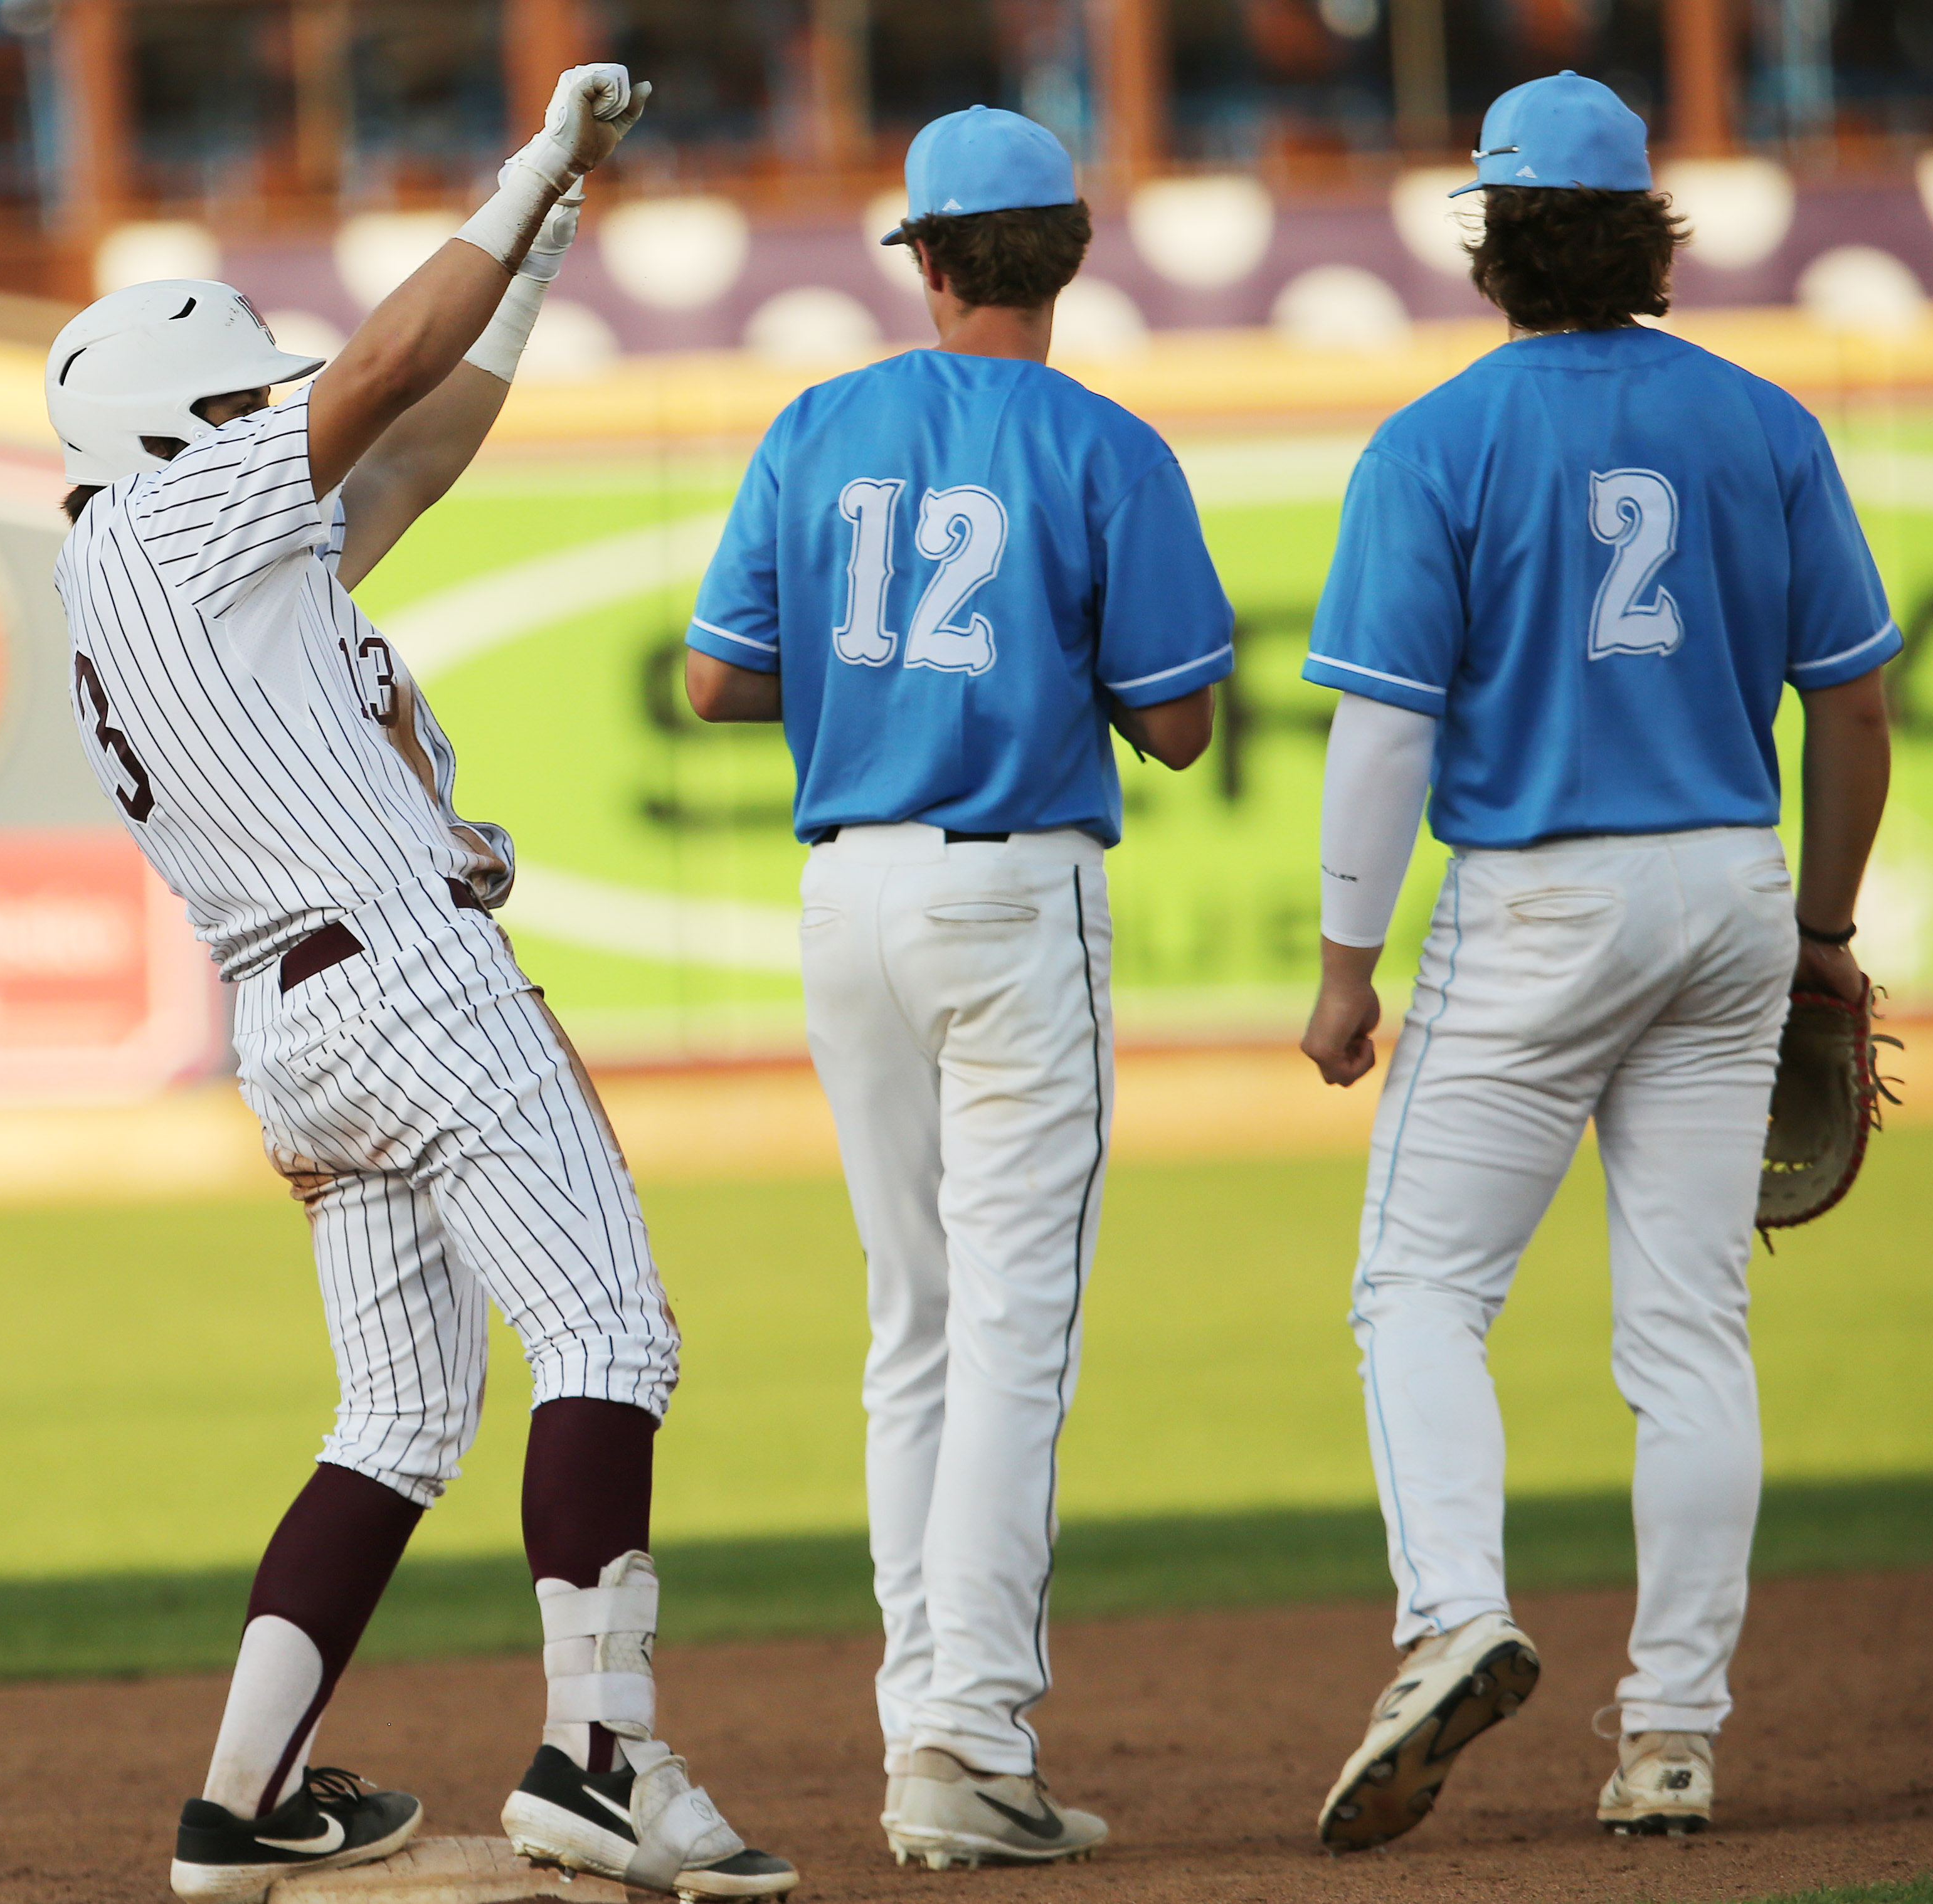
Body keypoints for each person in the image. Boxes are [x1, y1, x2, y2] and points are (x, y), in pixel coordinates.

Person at [46, 65, 797, 1904]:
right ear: (176, 431)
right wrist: (530, 158)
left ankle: (242, 1799)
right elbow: (377, 375)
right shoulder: (176, 527)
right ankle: (602, 1759)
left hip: (300, 1023)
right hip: (405, 977)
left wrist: (545, 238)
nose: (272, 417)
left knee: (391, 1421)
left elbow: (418, 439)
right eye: (238, 396)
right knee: (611, 1336)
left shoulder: (191, 571)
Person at [1297, 71, 1895, 1851]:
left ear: (1491, 242)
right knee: (1690, 1333)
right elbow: (1851, 706)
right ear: (1650, 232)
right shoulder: (1764, 421)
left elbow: (1385, 739)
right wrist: (1827, 938)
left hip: (1542, 902)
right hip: (1727, 887)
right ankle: (1674, 1737)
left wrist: (1346, 960)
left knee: (1417, 1290)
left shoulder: (1434, 442)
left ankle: (1453, 1611)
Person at [684, 105, 1234, 1872]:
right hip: (1012, 892)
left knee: (910, 1325)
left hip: (847, 893)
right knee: (1009, 1327)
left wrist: (872, 693)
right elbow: (1178, 717)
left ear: (924, 255)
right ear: (1067, 249)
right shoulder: (1107, 442)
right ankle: (967, 1734)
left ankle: (927, 1707)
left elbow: (713, 680)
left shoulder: (817, 423)